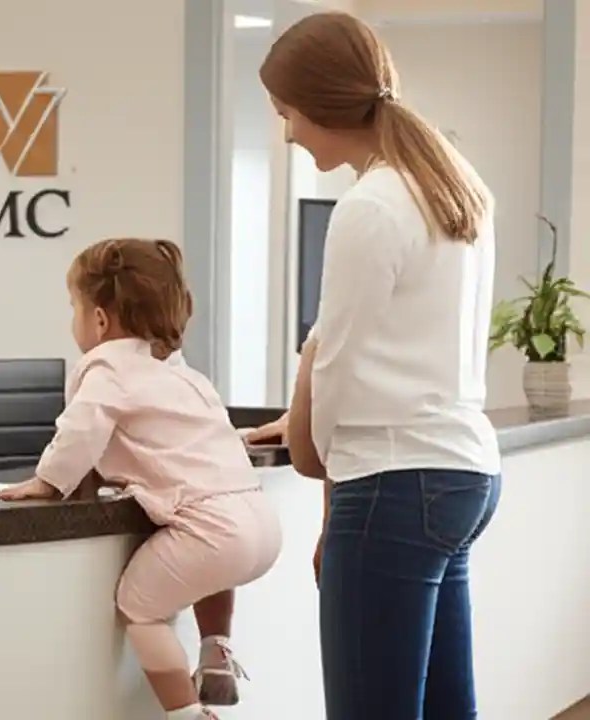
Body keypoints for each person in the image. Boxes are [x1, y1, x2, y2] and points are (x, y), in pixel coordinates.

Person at [258, 11, 502, 719]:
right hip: (461, 475)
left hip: (396, 488)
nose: (288, 133)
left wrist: (315, 463)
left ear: (322, 105)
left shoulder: (370, 205)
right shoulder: (455, 186)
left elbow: (336, 368)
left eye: (287, 113)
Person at [0, 238, 282, 720]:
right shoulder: (180, 372)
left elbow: (82, 428)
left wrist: (48, 481)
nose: (73, 321)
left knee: (140, 608)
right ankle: (216, 651)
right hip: (259, 526)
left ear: (100, 320)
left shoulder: (107, 366)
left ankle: (188, 713)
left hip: (212, 530)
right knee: (210, 573)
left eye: (74, 308)